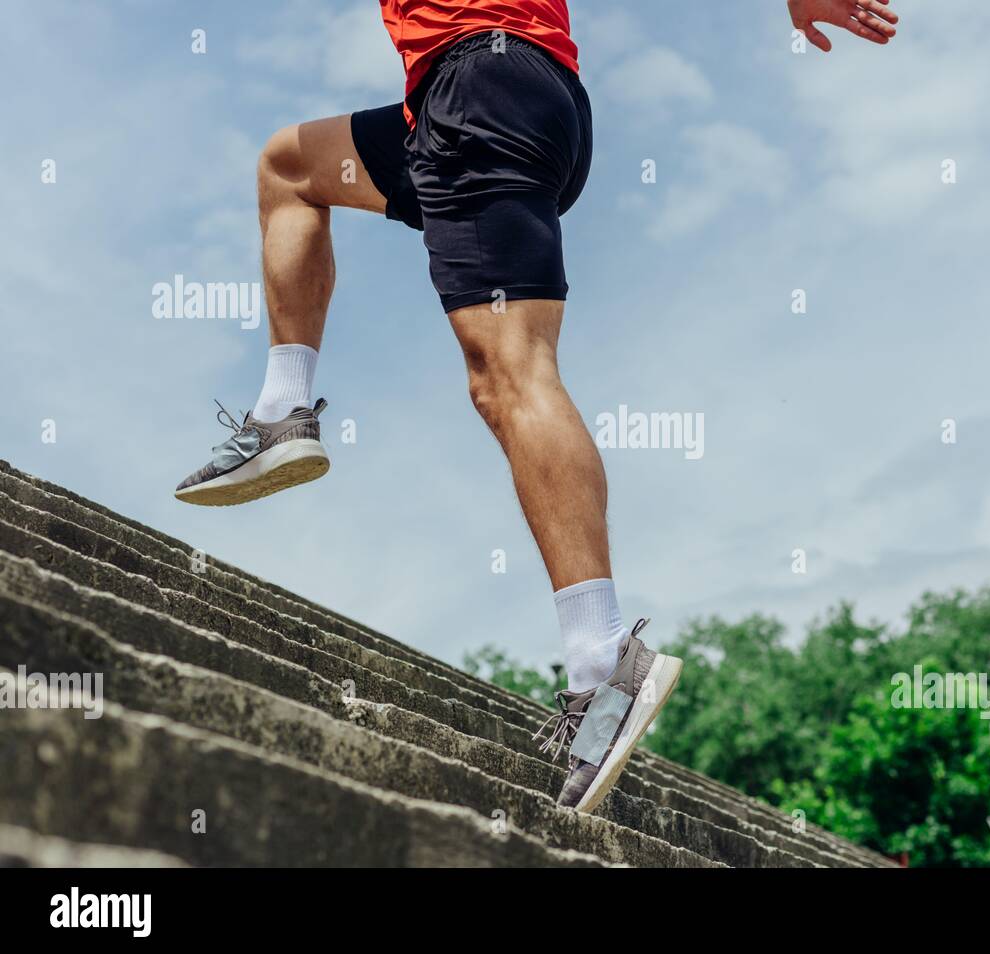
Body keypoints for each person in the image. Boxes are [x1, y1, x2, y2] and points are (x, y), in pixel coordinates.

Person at [173, 0, 899, 811]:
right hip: (498, 98)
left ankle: (603, 660)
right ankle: (284, 412)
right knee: (290, 166)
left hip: (480, 89)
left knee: (511, 374)